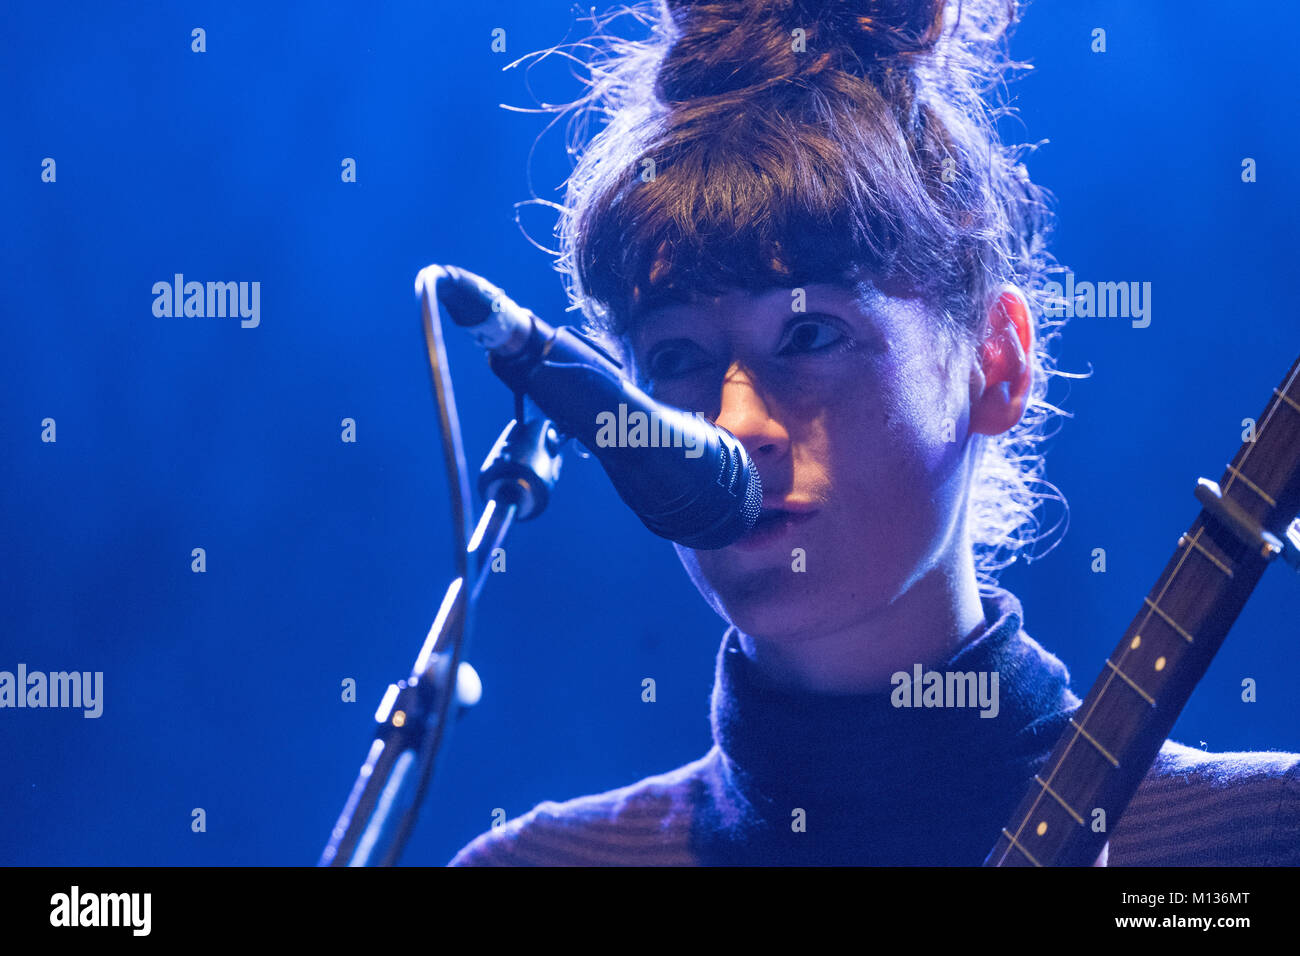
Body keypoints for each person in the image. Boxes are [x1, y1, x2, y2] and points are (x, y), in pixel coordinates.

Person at [448, 0, 1299, 865]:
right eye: (674, 358)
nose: (736, 423)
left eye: (810, 336)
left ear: (995, 362)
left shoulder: (1259, 842)